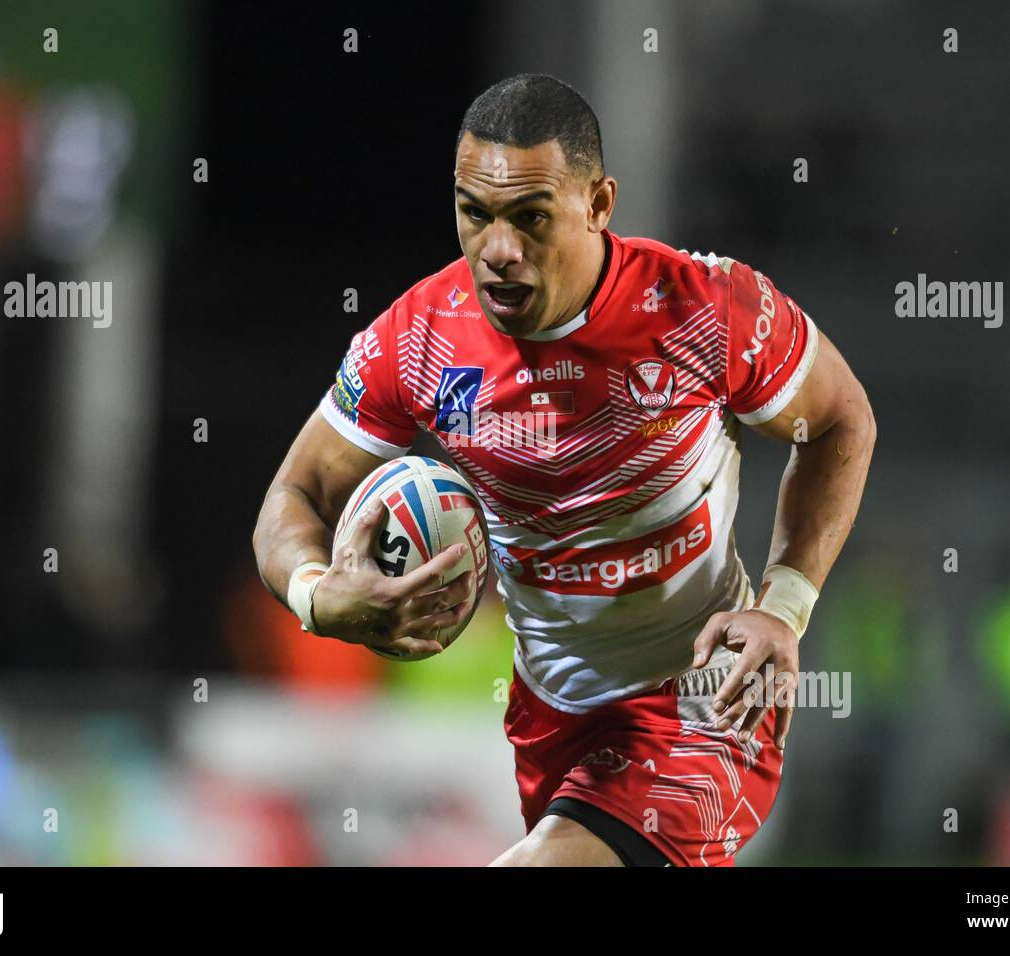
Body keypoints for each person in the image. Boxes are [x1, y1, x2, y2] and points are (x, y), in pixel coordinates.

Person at [253, 73, 875, 866]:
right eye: (473, 214)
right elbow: (295, 493)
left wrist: (784, 606)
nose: (498, 250)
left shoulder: (704, 308)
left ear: (599, 204)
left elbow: (838, 419)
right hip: (549, 718)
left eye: (530, 217)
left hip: (701, 700)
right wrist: (316, 593)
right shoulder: (419, 338)